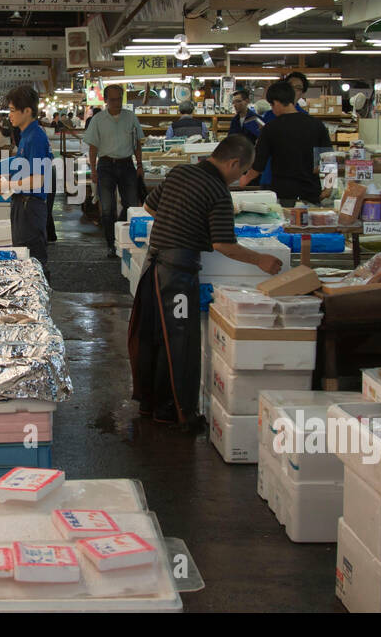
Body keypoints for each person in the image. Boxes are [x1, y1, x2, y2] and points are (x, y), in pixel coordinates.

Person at [128, 135, 283, 428]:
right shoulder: (218, 192)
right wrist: (261, 259)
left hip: (152, 267)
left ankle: (151, 405)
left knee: (152, 337)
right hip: (177, 274)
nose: (240, 179)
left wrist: (179, 221)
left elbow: (149, 207)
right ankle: (177, 413)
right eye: (241, 172)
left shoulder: (179, 172)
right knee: (181, 343)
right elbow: (225, 244)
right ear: (233, 163)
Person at [0, 85, 53, 269]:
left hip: (31, 206)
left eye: (12, 110)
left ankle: (40, 295)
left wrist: (9, 183)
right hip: (24, 203)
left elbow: (39, 179)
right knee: (24, 256)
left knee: (32, 259)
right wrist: (5, 179)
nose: (9, 115)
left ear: (27, 111)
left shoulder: (35, 137)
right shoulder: (26, 135)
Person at [241, 80, 330, 205]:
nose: (272, 110)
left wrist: (245, 179)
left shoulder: (271, 128)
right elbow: (329, 159)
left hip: (283, 194)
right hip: (311, 192)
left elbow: (259, 164)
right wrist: (329, 187)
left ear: (276, 102)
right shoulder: (317, 124)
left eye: (272, 105)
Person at [83, 84, 145, 255]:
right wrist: (93, 170)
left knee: (131, 204)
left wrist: (140, 165)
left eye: (119, 99)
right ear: (106, 100)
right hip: (105, 165)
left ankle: (123, 235)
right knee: (107, 207)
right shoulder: (98, 120)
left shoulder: (130, 117)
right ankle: (111, 244)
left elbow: (137, 143)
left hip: (127, 164)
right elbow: (93, 147)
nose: (116, 103)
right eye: (113, 100)